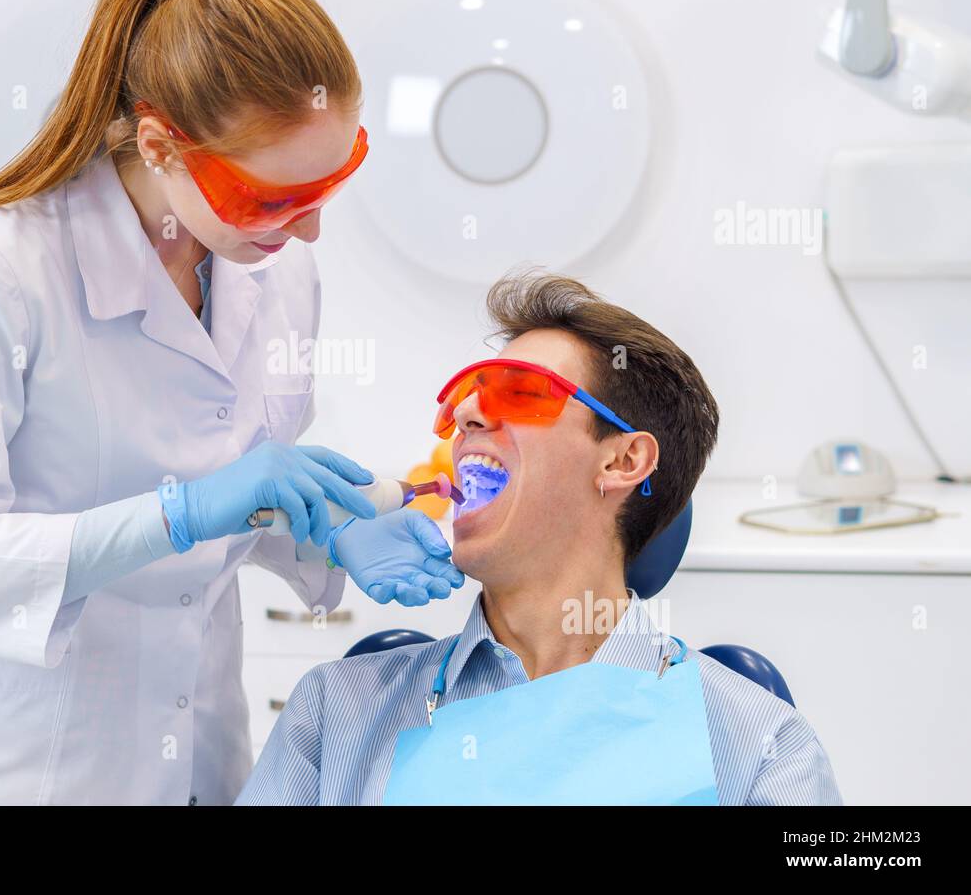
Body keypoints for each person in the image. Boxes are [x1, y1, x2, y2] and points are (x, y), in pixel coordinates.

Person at [0, 0, 460, 806]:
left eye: (331, 181)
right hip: (6, 771)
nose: (312, 231)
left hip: (195, 758)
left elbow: (235, 486)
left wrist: (325, 529)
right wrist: (177, 513)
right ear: (160, 145)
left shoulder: (273, 268)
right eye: (275, 197)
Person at [238, 272, 842, 805]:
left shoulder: (757, 743)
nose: (469, 415)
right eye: (463, 403)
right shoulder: (339, 713)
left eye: (520, 392)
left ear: (623, 460)